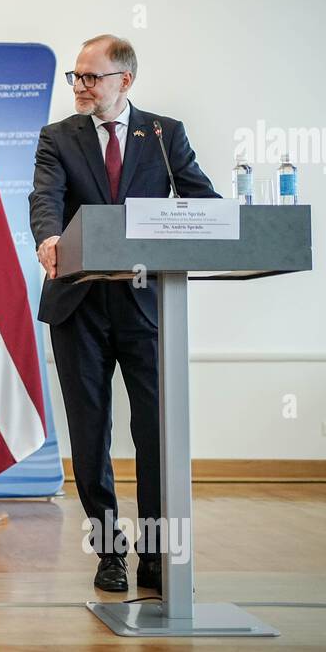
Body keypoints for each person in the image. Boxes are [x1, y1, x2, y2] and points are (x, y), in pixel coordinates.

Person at [29, 34, 219, 592]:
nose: (81, 87)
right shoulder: (57, 137)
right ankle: (109, 553)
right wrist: (47, 236)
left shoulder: (163, 134)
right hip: (79, 304)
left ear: (125, 81)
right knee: (90, 435)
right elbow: (45, 197)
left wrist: (225, 224)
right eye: (76, 77)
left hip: (145, 304)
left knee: (155, 433)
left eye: (92, 77)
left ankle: (157, 554)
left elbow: (199, 199)